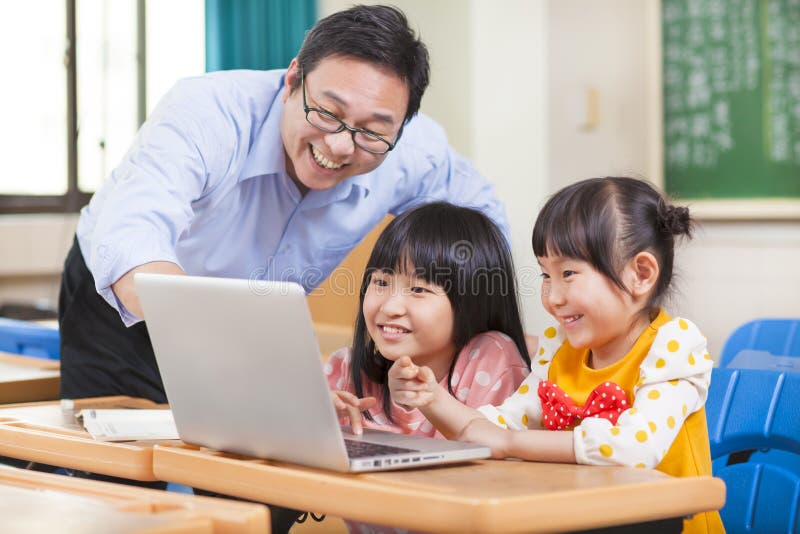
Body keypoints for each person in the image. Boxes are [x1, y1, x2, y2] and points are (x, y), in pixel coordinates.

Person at [58, 5, 509, 405]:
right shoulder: (207, 112)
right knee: (124, 477)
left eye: (371, 132)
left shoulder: (410, 151)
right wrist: (270, 361)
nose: (339, 145)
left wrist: (467, 334)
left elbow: (483, 227)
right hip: (125, 308)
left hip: (255, 329)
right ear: (292, 80)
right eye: (327, 113)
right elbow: (133, 241)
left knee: (267, 486)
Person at [388, 177, 724, 533]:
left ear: (640, 274)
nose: (552, 297)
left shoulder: (673, 345)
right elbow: (500, 425)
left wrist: (510, 443)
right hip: (585, 520)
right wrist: (431, 397)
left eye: (568, 273)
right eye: (546, 275)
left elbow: (634, 448)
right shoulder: (560, 346)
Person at [327, 202, 531, 437]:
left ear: (472, 302)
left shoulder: (488, 358)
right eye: (381, 282)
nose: (390, 307)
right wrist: (314, 419)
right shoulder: (346, 369)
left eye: (419, 290)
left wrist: (429, 400)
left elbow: (495, 453)